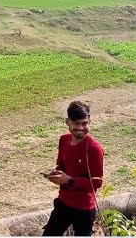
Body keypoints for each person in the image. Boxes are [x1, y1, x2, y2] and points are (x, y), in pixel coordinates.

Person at [41, 101, 104, 237]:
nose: (80, 127)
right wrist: (56, 174)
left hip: (84, 210)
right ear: (67, 122)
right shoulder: (63, 140)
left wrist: (69, 180)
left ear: (89, 122)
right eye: (76, 123)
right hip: (63, 203)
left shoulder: (94, 148)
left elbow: (97, 182)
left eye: (84, 123)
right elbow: (61, 165)